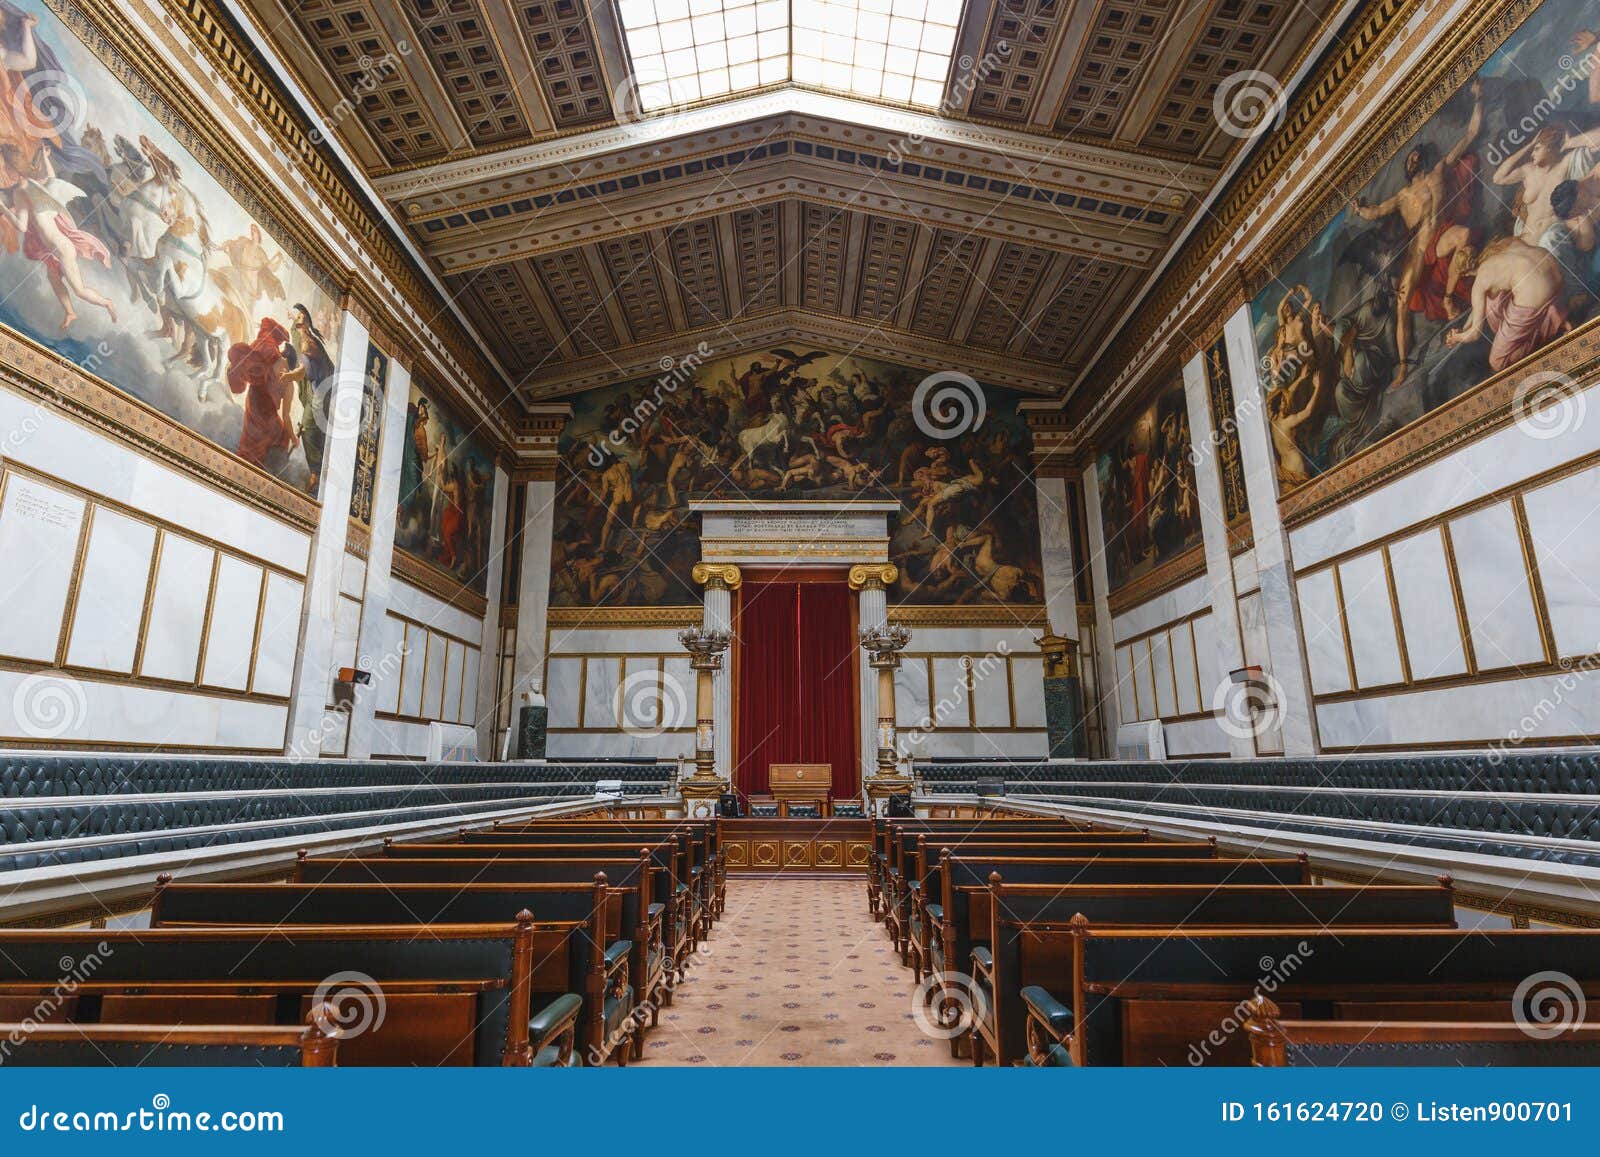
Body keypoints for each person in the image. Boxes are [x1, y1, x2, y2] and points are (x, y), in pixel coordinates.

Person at [1351, 78, 1484, 382]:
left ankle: (1455, 298)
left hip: (1439, 234)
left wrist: (1478, 99)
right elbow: (1376, 212)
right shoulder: (1401, 197)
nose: (1411, 161)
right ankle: (1402, 367)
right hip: (1415, 251)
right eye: (1408, 160)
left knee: (1464, 237)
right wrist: (1360, 210)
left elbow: (1471, 134)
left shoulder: (1438, 172)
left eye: (1414, 156)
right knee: (1401, 304)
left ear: (1423, 157)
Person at [1445, 235, 1570, 372]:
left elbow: (1475, 334)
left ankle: (1551, 324)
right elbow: (1478, 308)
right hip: (1555, 278)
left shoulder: (1480, 282)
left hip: (1537, 293)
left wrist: (1456, 338)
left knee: (1497, 363)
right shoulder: (1503, 244)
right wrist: (1463, 330)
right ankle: (1553, 314)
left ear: (1464, 274)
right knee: (1497, 299)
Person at [225, 317, 294, 469]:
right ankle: (254, 465)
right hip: (262, 400)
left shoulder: (264, 345)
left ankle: (251, 464)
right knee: (272, 433)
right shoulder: (271, 350)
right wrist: (294, 438)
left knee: (255, 434)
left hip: (257, 397)